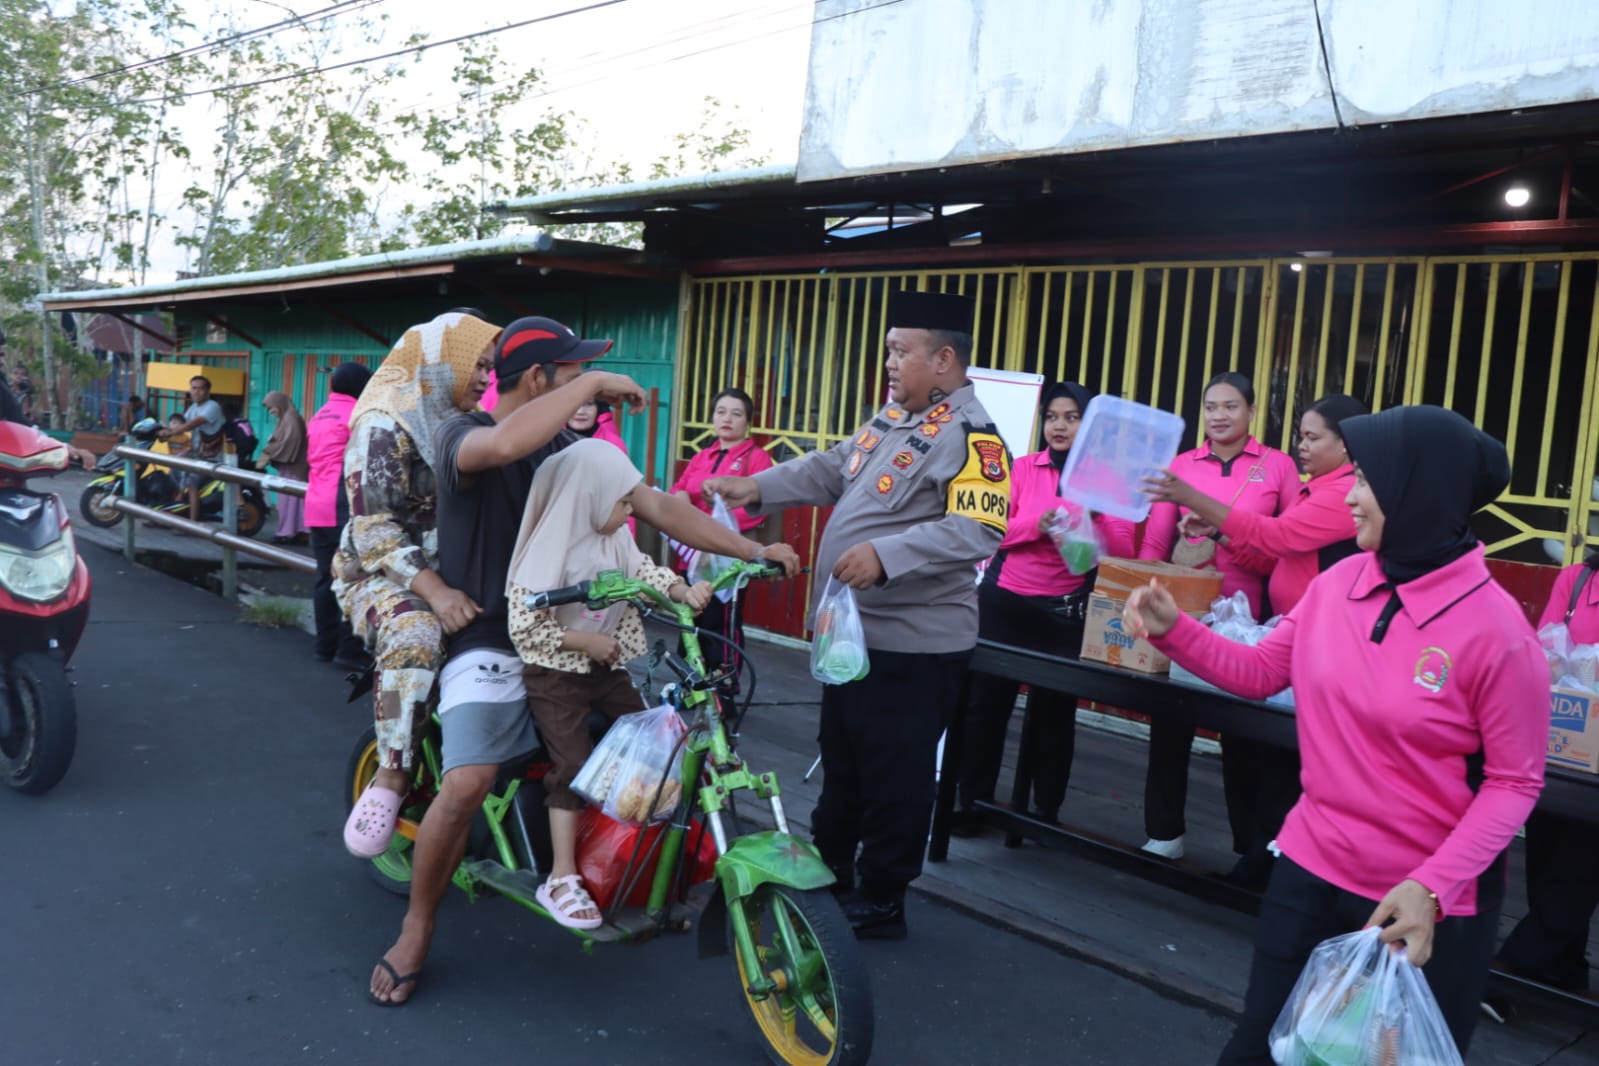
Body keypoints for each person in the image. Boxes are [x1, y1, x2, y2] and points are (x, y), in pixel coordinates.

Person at [366, 316, 799, 1005]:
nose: (584, 391)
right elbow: (507, 440)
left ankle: (608, 871)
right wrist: (595, 383)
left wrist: (753, 553)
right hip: (489, 640)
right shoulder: (461, 435)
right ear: (540, 379)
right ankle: (417, 924)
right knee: (470, 779)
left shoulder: (573, 448)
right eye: (572, 374)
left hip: (581, 636)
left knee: (651, 751)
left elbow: (653, 505)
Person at [1123, 404, 1547, 1064]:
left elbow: (1513, 782)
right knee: (1260, 1049)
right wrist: (1173, 628)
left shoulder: (1497, 633)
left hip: (1416, 911)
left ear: (1418, 491)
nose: (1346, 496)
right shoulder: (1337, 582)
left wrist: (1432, 888)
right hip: (1307, 871)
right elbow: (1262, 670)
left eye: (1365, 480)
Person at [706, 289, 1011, 940]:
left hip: (916, 645)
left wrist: (887, 554)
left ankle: (881, 897)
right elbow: (827, 470)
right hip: (854, 639)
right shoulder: (893, 420)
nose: (890, 364)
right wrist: (757, 485)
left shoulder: (975, 438)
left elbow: (979, 529)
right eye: (889, 352)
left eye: (901, 352)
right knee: (842, 760)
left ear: (945, 357)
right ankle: (832, 873)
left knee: (895, 775)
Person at [1144, 392, 1367, 886]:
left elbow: (1276, 539)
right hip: (1276, 630)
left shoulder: (1342, 491)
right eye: (1301, 436)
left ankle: (1272, 865)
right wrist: (1219, 534)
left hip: (1315, 643)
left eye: (1313, 437)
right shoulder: (1322, 485)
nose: (1303, 446)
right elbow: (1274, 542)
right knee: (1259, 751)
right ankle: (1255, 857)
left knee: (1279, 761)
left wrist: (1190, 497)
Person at [507, 441, 714, 926]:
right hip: (555, 673)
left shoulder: (616, 538)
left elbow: (645, 573)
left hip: (607, 669)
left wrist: (684, 590)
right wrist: (583, 641)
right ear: (590, 496)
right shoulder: (550, 545)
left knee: (658, 755)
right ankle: (560, 876)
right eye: (622, 502)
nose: (628, 511)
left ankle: (639, 863)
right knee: (574, 764)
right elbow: (524, 624)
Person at [337, 312, 500, 862]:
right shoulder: (383, 424)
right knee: (416, 631)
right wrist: (435, 592)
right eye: (476, 364)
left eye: (489, 367)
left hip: (449, 570)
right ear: (441, 362)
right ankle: (392, 774)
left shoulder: (465, 419)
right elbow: (374, 531)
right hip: (381, 576)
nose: (484, 377)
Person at [951, 381, 1136, 836]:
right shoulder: (1021, 468)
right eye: (1053, 416)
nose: (1059, 426)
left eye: (1071, 417)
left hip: (1063, 614)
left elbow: (1123, 550)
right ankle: (971, 803)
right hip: (1004, 604)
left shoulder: (1105, 480)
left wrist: (1092, 519)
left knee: (1054, 716)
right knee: (983, 709)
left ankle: (1042, 815)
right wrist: (1039, 523)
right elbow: (990, 530)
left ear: (1088, 424)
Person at [1136, 371, 1299, 862]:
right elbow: (1155, 543)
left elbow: (1287, 549)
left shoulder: (1278, 468)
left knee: (1244, 736)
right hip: (1182, 609)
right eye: (1210, 407)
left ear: (1251, 412)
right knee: (1170, 722)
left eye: (1230, 406)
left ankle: (1248, 846)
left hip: (1247, 621)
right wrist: (1141, 586)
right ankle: (1164, 832)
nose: (1219, 416)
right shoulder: (1181, 464)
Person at [1491, 553, 1599, 1005]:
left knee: (1581, 864)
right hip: (1563, 742)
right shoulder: (1577, 580)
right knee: (1547, 851)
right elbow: (1546, 650)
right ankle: (1566, 970)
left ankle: (1509, 969)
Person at [669, 387, 774, 691]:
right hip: (690, 555)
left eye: (736, 413)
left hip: (727, 559)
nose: (727, 419)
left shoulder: (757, 459)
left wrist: (705, 526)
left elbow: (755, 511)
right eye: (721, 411)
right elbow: (679, 489)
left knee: (721, 622)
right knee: (690, 616)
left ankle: (723, 685)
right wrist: (680, 503)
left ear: (748, 422)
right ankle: (689, 682)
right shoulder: (702, 455)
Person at [306, 362, 372, 670]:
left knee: (323, 577)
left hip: (316, 503)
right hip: (340, 504)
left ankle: (324, 646)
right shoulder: (356, 416)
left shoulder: (320, 414)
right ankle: (349, 649)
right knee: (352, 575)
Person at [157, 375, 227, 522]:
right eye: (193, 388)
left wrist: (174, 431)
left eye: (201, 388)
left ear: (208, 391)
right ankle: (168, 516)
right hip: (194, 455)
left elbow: (193, 423)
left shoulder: (212, 406)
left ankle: (192, 524)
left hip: (210, 458)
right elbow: (182, 424)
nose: (196, 392)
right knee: (171, 475)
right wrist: (164, 431)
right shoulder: (193, 407)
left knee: (192, 482)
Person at [262, 391, 309, 544]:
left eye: (272, 407)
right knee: (290, 501)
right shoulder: (286, 418)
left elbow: (289, 443)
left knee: (291, 501)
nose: (271, 411)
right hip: (292, 467)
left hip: (294, 467)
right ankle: (296, 532)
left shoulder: (291, 419)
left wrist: (270, 450)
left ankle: (288, 532)